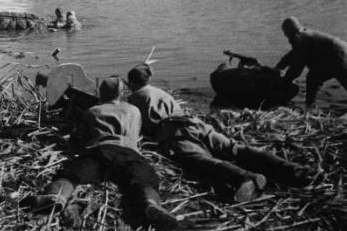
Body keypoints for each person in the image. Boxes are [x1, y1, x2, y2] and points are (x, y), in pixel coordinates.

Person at [125, 64, 315, 203]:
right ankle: (296, 171)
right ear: (147, 79)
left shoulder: (134, 98)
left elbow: (136, 124)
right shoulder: (161, 92)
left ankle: (244, 177)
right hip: (195, 123)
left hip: (172, 132)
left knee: (198, 159)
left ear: (133, 82)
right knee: (235, 148)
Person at [21, 76, 179, 230]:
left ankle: (56, 196)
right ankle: (151, 204)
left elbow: (78, 138)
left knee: (73, 175)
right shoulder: (134, 110)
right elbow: (136, 133)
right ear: (120, 93)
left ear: (102, 93)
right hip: (128, 151)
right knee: (144, 179)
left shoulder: (93, 111)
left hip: (101, 150)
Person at [275, 17, 347, 107]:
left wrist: (284, 81)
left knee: (316, 77)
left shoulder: (299, 38)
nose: (285, 35)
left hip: (338, 57)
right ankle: (310, 107)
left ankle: (309, 107)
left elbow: (296, 69)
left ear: (288, 32)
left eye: (285, 33)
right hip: (339, 53)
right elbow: (293, 54)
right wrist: (278, 67)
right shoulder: (302, 35)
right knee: (313, 77)